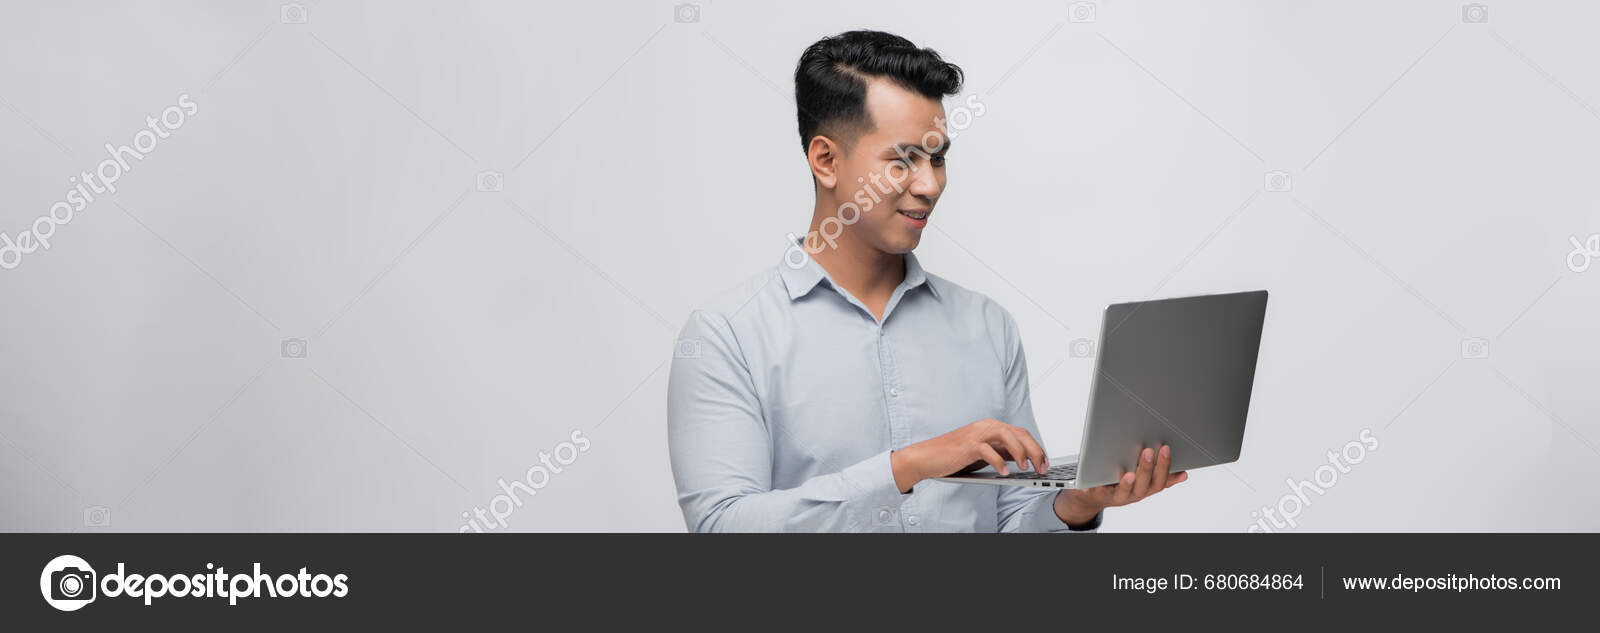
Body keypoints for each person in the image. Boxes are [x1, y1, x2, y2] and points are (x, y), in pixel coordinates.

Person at [668, 30, 1185, 532]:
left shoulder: (987, 327)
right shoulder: (726, 336)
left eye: (938, 158)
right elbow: (722, 527)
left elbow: (1010, 521)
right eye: (903, 161)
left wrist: (1073, 504)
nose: (930, 184)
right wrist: (908, 467)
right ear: (825, 159)